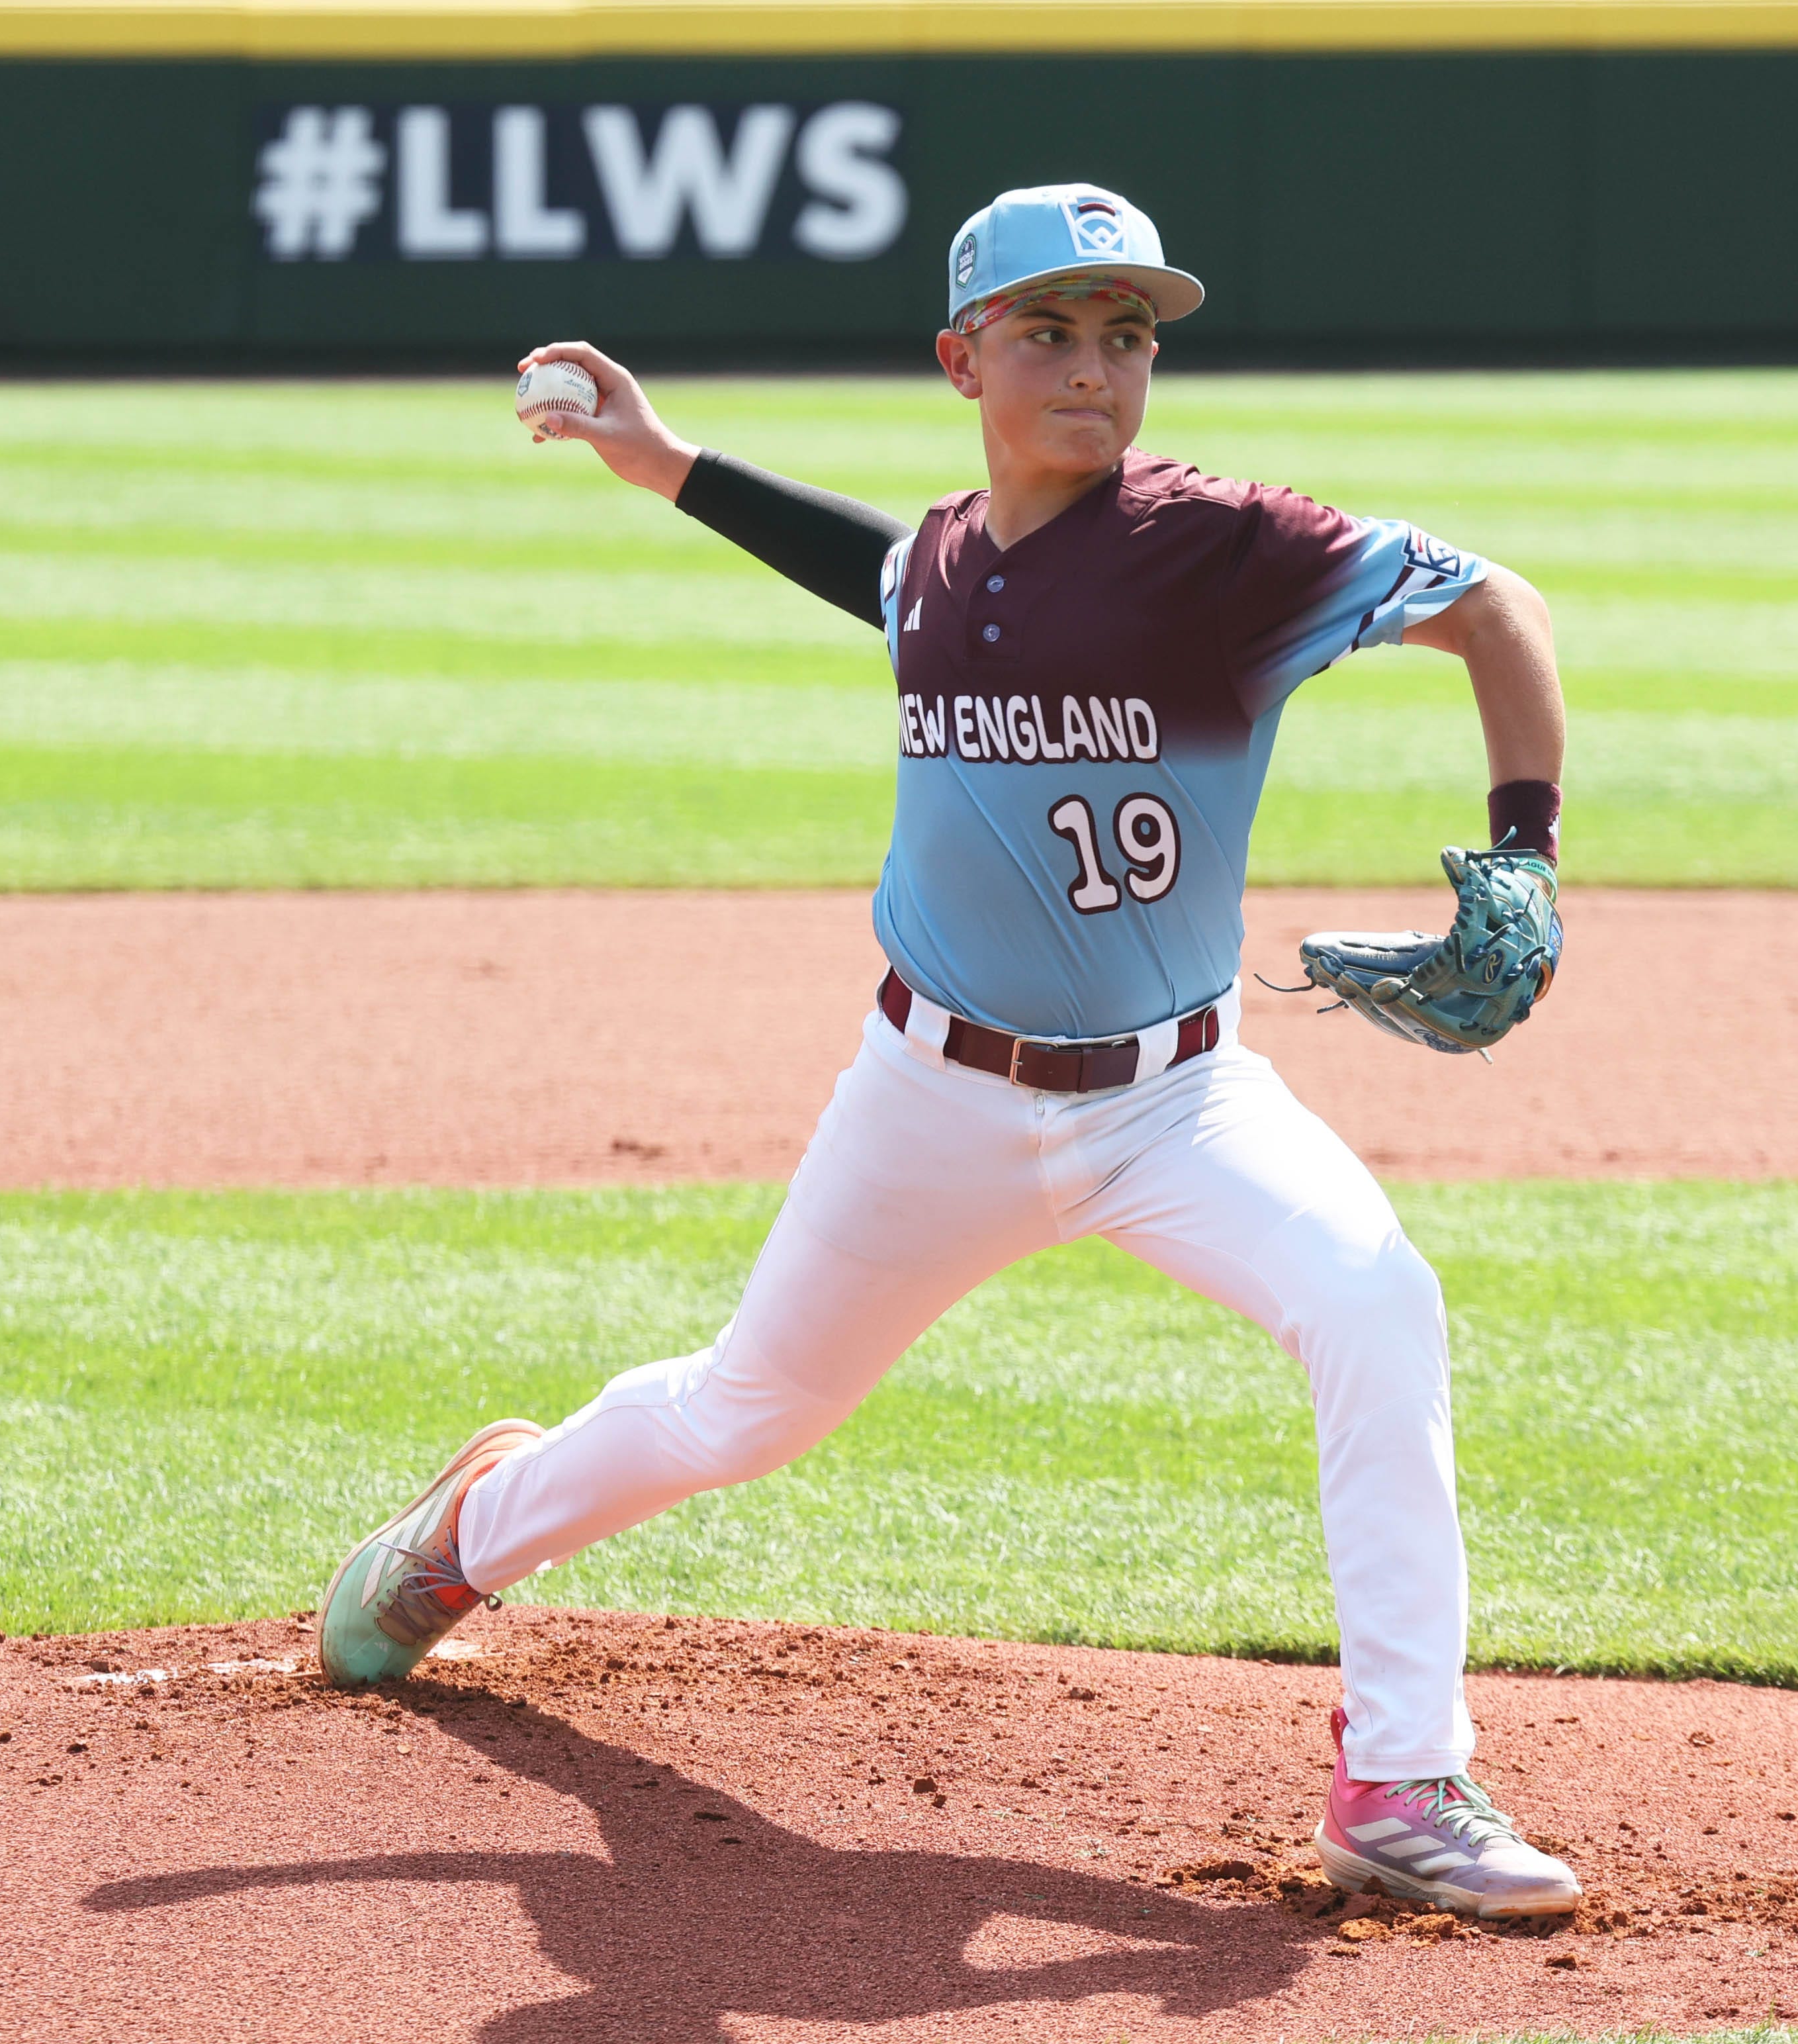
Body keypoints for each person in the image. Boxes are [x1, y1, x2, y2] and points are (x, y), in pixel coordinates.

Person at [318, 183, 1579, 1918]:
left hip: (1181, 1101)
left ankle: (1401, 1784)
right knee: (741, 1412)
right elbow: (885, 575)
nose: (1096, 367)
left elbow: (1497, 606)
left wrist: (1524, 849)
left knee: (1377, 1298)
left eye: (1128, 333)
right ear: (960, 358)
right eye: (1050, 331)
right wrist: (665, 461)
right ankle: (467, 1534)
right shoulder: (943, 563)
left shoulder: (1230, 549)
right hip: (930, 1102)